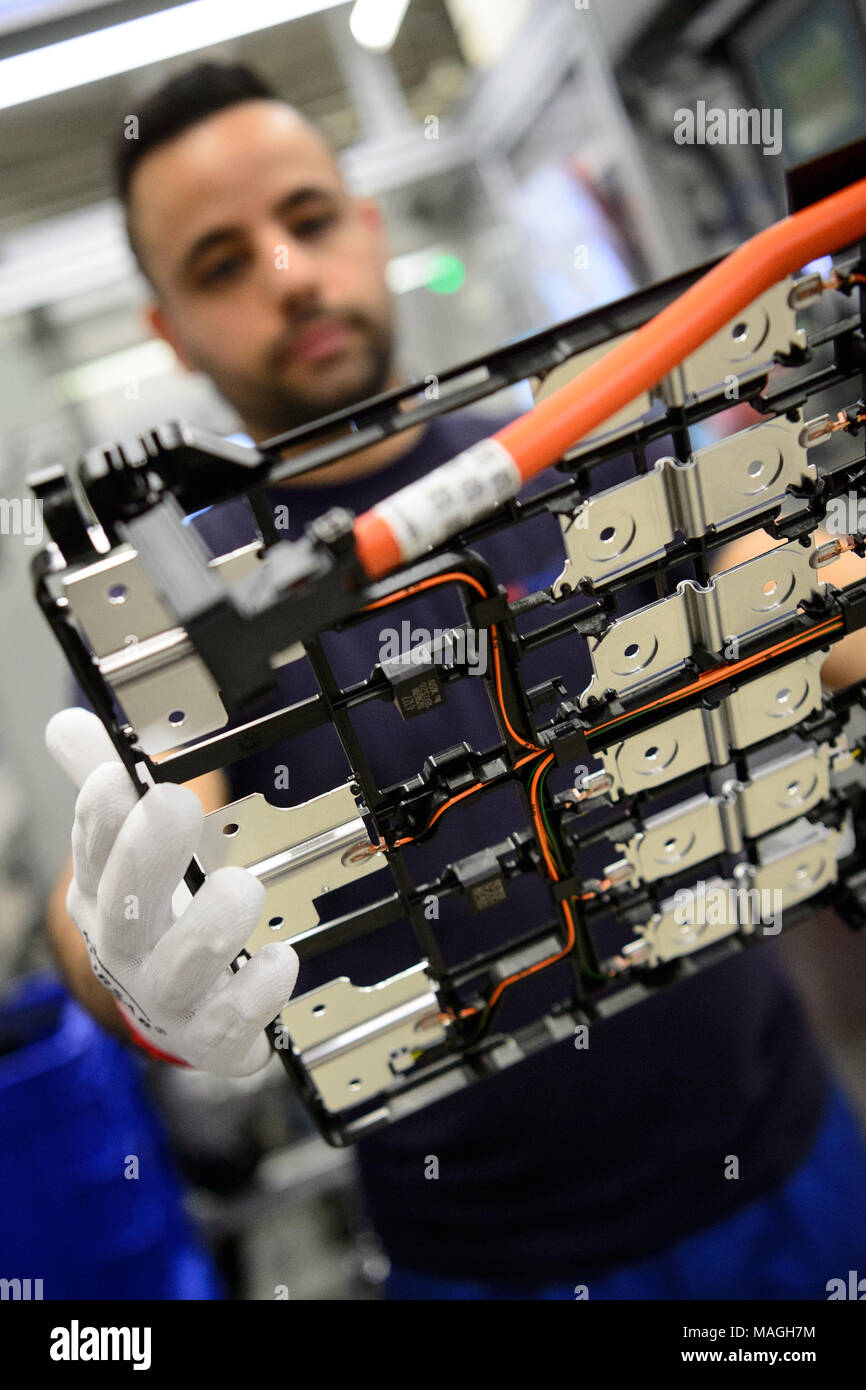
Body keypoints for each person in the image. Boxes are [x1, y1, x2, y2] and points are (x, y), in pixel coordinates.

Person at [45, 61, 866, 1300]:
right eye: (220, 262)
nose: (284, 272)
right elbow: (129, 848)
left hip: (781, 1161)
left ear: (367, 229)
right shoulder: (181, 598)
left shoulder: (580, 440)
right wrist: (118, 962)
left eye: (307, 220)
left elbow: (796, 593)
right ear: (168, 324)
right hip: (480, 1259)